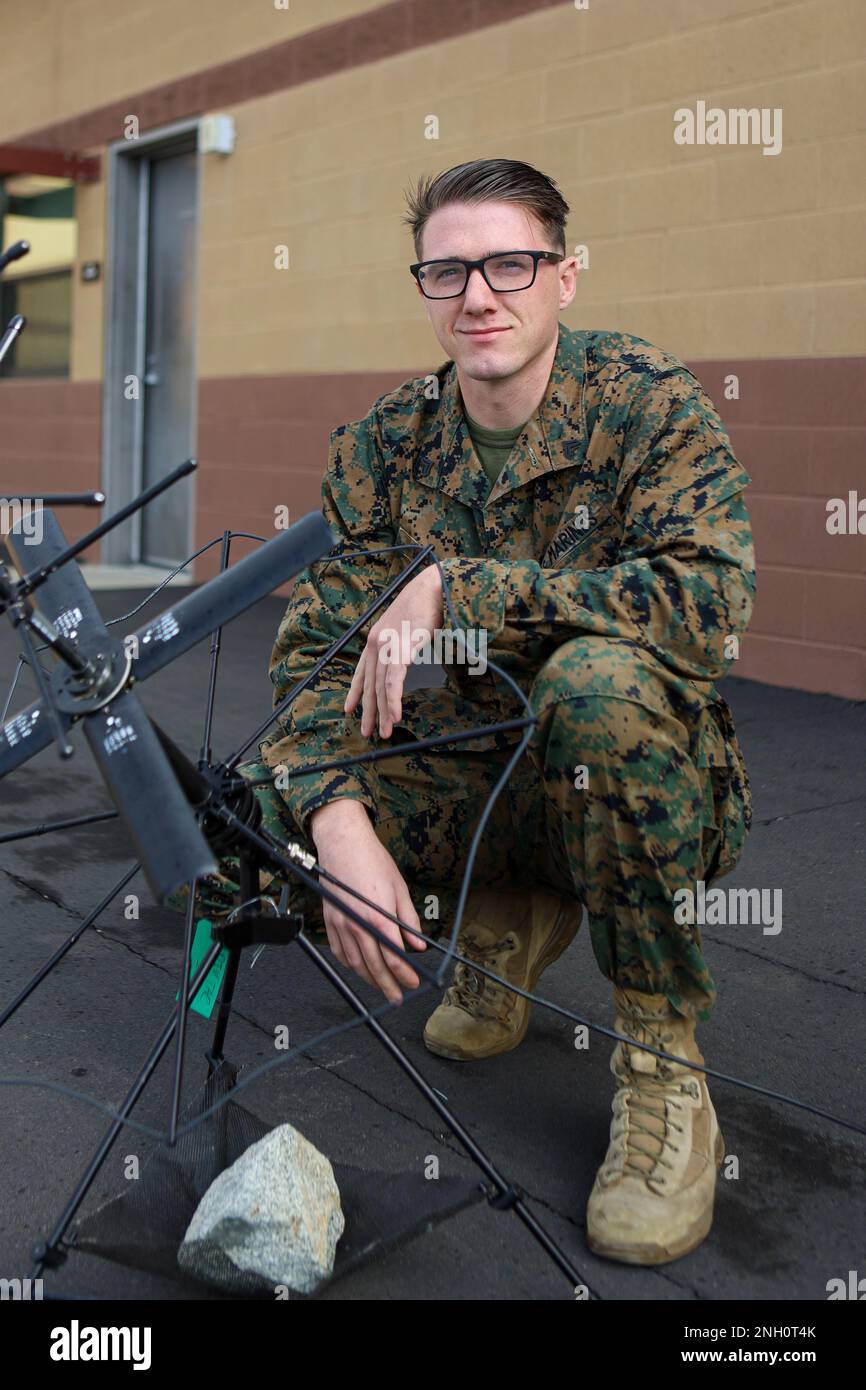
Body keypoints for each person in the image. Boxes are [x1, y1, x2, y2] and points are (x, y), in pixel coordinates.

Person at [246, 158, 754, 1266]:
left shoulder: (644, 402)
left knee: (591, 686)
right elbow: (307, 663)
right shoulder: (385, 446)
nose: (478, 294)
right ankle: (509, 914)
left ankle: (663, 1062)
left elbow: (705, 605)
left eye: (509, 263)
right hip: (493, 770)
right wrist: (334, 825)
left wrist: (458, 587)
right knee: (255, 790)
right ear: (422, 287)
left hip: (640, 777)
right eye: (447, 270)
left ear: (563, 277)